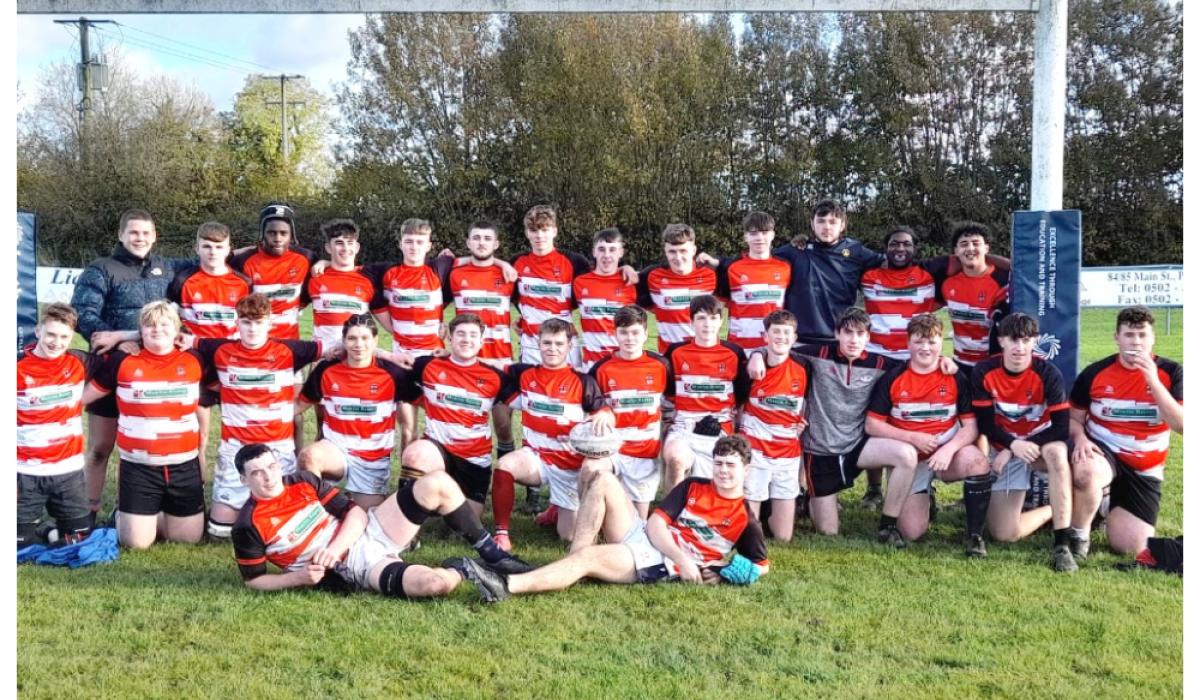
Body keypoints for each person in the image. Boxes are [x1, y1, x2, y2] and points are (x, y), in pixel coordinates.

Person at [450, 435, 769, 603]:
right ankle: (572, 565)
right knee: (603, 480)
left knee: (590, 558)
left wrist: (722, 572)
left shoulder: (745, 519)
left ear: (746, 469)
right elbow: (656, 523)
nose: (723, 471)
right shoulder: (694, 485)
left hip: (659, 563)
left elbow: (760, 566)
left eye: (731, 465)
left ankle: (507, 586)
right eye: (719, 463)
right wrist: (682, 556)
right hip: (653, 540)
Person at [230, 443, 529, 597]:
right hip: (358, 565)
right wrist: (297, 579)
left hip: (368, 530)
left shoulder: (303, 481)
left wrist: (334, 548)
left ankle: (494, 555)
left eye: (271, 466)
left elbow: (356, 513)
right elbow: (254, 581)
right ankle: (464, 568)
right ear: (244, 480)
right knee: (435, 584)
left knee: (437, 482)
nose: (268, 477)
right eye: (257, 473)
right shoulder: (247, 525)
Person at [71, 209, 188, 522]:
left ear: (155, 236)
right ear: (121, 235)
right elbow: (82, 314)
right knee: (100, 447)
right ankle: (86, 513)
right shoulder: (101, 269)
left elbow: (213, 254)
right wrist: (115, 340)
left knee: (140, 447)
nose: (140, 238)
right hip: (111, 366)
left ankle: (130, 510)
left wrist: (247, 251)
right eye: (134, 232)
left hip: (152, 372)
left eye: (146, 233)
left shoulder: (167, 267)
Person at [190, 293, 331, 539]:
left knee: (282, 530)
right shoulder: (220, 349)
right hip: (235, 449)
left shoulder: (290, 350)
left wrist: (390, 356)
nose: (252, 329)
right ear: (237, 322)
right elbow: (175, 338)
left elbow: (344, 347)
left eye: (258, 322)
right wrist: (124, 338)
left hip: (276, 449)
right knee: (220, 532)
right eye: (246, 322)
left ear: (270, 322)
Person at [863, 314, 992, 555]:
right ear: (908, 343)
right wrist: (913, 438)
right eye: (919, 341)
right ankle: (926, 496)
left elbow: (971, 427)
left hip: (946, 455)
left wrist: (949, 449)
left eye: (932, 342)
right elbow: (872, 425)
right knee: (912, 531)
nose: (925, 348)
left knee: (977, 461)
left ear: (941, 343)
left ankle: (975, 536)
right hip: (912, 460)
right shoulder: (894, 377)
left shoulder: (955, 376)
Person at [81, 301, 206, 549]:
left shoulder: (194, 359)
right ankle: (127, 514)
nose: (157, 329)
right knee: (136, 543)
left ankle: (157, 513)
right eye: (149, 325)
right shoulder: (122, 360)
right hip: (139, 467)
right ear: (140, 332)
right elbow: (83, 397)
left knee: (188, 539)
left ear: (177, 329)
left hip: (183, 466)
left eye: (164, 324)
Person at [490, 318, 616, 550]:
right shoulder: (524, 374)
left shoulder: (583, 381)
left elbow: (605, 412)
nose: (552, 349)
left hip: (570, 467)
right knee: (505, 465)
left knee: (568, 537)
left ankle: (558, 508)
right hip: (536, 457)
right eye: (547, 343)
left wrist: (604, 416)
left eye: (559, 344)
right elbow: (493, 367)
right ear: (538, 343)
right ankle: (501, 534)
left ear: (569, 345)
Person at [1068, 306, 1183, 556]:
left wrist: (1152, 381)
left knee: (1130, 547)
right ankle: (1077, 538)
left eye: (1142, 335)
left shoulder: (1172, 373)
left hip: (1145, 467)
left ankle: (1103, 504)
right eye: (1129, 335)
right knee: (1087, 473)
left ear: (1153, 338)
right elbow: (1073, 418)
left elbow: (1182, 426)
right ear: (1117, 338)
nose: (1136, 342)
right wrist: (1080, 438)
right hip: (1104, 453)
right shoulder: (1095, 373)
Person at [971, 313, 1077, 571]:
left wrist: (1017, 446)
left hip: (1039, 445)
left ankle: (1062, 545)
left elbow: (1061, 428)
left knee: (1057, 454)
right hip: (1006, 446)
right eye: (1014, 340)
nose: (1020, 347)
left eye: (1026, 340)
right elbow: (985, 425)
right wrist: (1011, 445)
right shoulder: (984, 371)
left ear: (1035, 341)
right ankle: (1055, 508)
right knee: (1004, 533)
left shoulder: (1048, 373)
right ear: (1001, 341)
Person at [397, 313, 511, 517]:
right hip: (438, 451)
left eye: (473, 335)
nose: (466, 339)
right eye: (460, 334)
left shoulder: (496, 377)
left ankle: (439, 501)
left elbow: (533, 386)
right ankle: (403, 520)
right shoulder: (427, 365)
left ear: (481, 341)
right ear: (449, 337)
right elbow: (388, 369)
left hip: (474, 459)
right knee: (416, 454)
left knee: (465, 520)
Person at [229, 203, 321, 452]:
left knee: (294, 413)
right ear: (262, 233)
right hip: (254, 348)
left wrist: (323, 262)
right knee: (255, 411)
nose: (278, 238)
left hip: (290, 349)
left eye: (283, 233)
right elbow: (216, 260)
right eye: (271, 232)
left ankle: (295, 462)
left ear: (292, 234)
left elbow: (320, 280)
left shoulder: (306, 258)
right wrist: (237, 251)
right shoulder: (244, 260)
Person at [295, 314, 410, 509]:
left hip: (371, 459)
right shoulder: (326, 369)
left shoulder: (393, 373)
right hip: (336, 449)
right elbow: (299, 405)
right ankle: (317, 513)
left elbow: (423, 404)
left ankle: (348, 503)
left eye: (365, 338)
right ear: (343, 341)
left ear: (375, 340)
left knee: (365, 516)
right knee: (309, 456)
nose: (358, 344)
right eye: (352, 338)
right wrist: (260, 410)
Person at [166, 221, 253, 480]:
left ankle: (240, 487)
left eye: (218, 247)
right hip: (197, 363)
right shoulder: (183, 280)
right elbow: (170, 318)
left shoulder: (243, 282)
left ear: (228, 249)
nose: (212, 252)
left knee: (239, 431)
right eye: (206, 246)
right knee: (199, 435)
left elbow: (251, 323)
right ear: (197, 248)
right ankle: (198, 491)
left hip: (232, 363)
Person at [512, 205, 635, 367]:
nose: (539, 235)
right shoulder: (516, 263)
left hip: (566, 344)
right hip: (532, 346)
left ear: (554, 231)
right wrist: (523, 315)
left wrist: (624, 267)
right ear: (527, 233)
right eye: (533, 230)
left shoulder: (574, 261)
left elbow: (602, 272)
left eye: (544, 230)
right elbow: (508, 292)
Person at [17, 303, 98, 548]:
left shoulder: (78, 361)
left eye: (64, 337)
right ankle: (41, 529)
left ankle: (50, 531)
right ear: (38, 330)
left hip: (68, 471)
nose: (56, 342)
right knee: (19, 545)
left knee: (79, 540)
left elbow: (116, 365)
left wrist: (127, 337)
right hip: (24, 471)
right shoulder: (16, 366)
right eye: (51, 334)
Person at [447, 221, 520, 467]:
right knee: (464, 425)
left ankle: (506, 475)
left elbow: (531, 306)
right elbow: (434, 300)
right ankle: (464, 476)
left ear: (496, 244)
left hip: (500, 359)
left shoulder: (508, 275)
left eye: (487, 238)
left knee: (503, 426)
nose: (481, 243)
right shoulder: (454, 273)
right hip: (466, 363)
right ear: (468, 243)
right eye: (476, 238)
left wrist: (501, 264)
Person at [588, 305, 672, 519]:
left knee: (636, 523)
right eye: (623, 332)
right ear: (615, 333)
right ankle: (582, 510)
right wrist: (602, 410)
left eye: (635, 332)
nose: (629, 338)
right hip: (612, 452)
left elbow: (674, 401)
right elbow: (589, 404)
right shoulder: (601, 369)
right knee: (589, 469)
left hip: (645, 455)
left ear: (645, 334)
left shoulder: (661, 365)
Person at [660, 295, 750, 491]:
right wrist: (667, 422)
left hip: (720, 428)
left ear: (721, 321)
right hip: (683, 427)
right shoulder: (675, 352)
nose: (707, 324)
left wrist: (735, 426)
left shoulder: (734, 353)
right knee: (675, 460)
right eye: (701, 318)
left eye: (713, 318)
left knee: (714, 487)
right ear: (691, 321)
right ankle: (671, 509)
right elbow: (666, 393)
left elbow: (742, 396)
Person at [737, 310, 809, 542]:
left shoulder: (804, 367)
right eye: (775, 331)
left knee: (783, 537)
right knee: (749, 533)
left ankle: (770, 511)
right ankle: (754, 509)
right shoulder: (751, 369)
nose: (781, 337)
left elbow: (808, 402)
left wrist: (802, 420)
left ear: (794, 338)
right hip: (756, 451)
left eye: (787, 333)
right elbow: (737, 405)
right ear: (765, 336)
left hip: (787, 454)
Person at [699, 211, 791, 351]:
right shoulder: (731, 268)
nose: (759, 238)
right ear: (745, 237)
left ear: (772, 235)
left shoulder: (785, 267)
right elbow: (717, 308)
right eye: (753, 233)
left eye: (764, 232)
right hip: (740, 347)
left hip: (774, 348)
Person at [859, 226, 939, 360]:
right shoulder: (868, 278)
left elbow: (961, 263)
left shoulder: (928, 277)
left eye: (907, 244)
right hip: (875, 356)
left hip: (915, 358)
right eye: (894, 244)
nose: (900, 248)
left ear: (915, 249)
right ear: (886, 248)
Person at [637, 223, 719, 353]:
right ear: (665, 251)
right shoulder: (652, 276)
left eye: (683, 251)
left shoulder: (711, 274)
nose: (678, 257)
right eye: (672, 251)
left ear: (693, 250)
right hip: (669, 357)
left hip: (706, 355)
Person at [939, 222, 1009, 370]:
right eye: (964, 244)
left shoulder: (1003, 282)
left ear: (986, 248)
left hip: (993, 366)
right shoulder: (947, 284)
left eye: (976, 243)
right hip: (959, 364)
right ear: (956, 251)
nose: (970, 248)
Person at [573, 228, 638, 371]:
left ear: (621, 252)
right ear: (594, 252)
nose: (607, 255)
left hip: (622, 366)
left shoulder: (631, 282)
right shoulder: (579, 282)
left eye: (612, 249)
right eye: (601, 249)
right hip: (591, 366)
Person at [307, 219, 375, 351]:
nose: (345, 248)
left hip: (355, 356)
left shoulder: (369, 278)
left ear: (357, 247)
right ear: (328, 248)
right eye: (339, 243)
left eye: (350, 243)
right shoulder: (315, 276)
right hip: (323, 357)